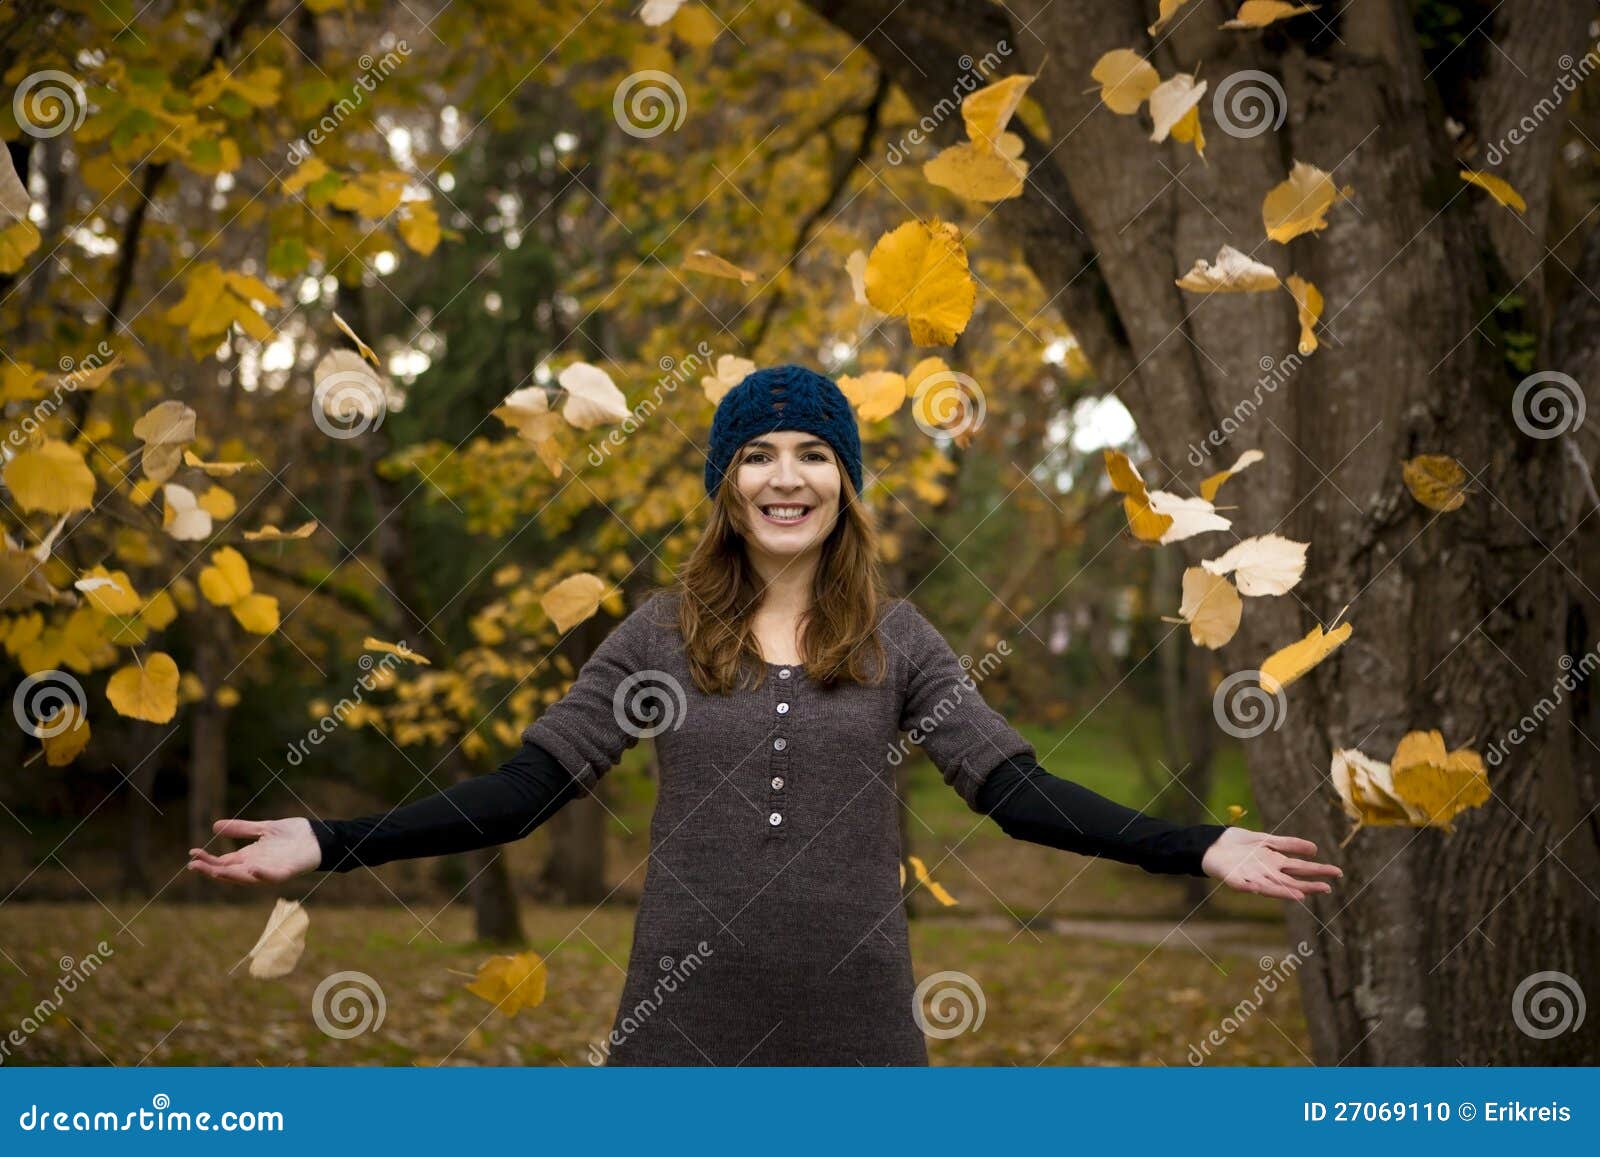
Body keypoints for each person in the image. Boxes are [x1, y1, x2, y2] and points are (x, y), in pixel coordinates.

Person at [188, 363, 1342, 1065]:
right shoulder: (655, 635)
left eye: (810, 453)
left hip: (861, 1035)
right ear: (726, 485)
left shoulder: (902, 643)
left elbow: (1019, 795)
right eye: (756, 454)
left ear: (842, 480)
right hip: (680, 1035)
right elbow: (519, 795)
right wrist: (329, 840)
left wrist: (1196, 841)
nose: (784, 474)